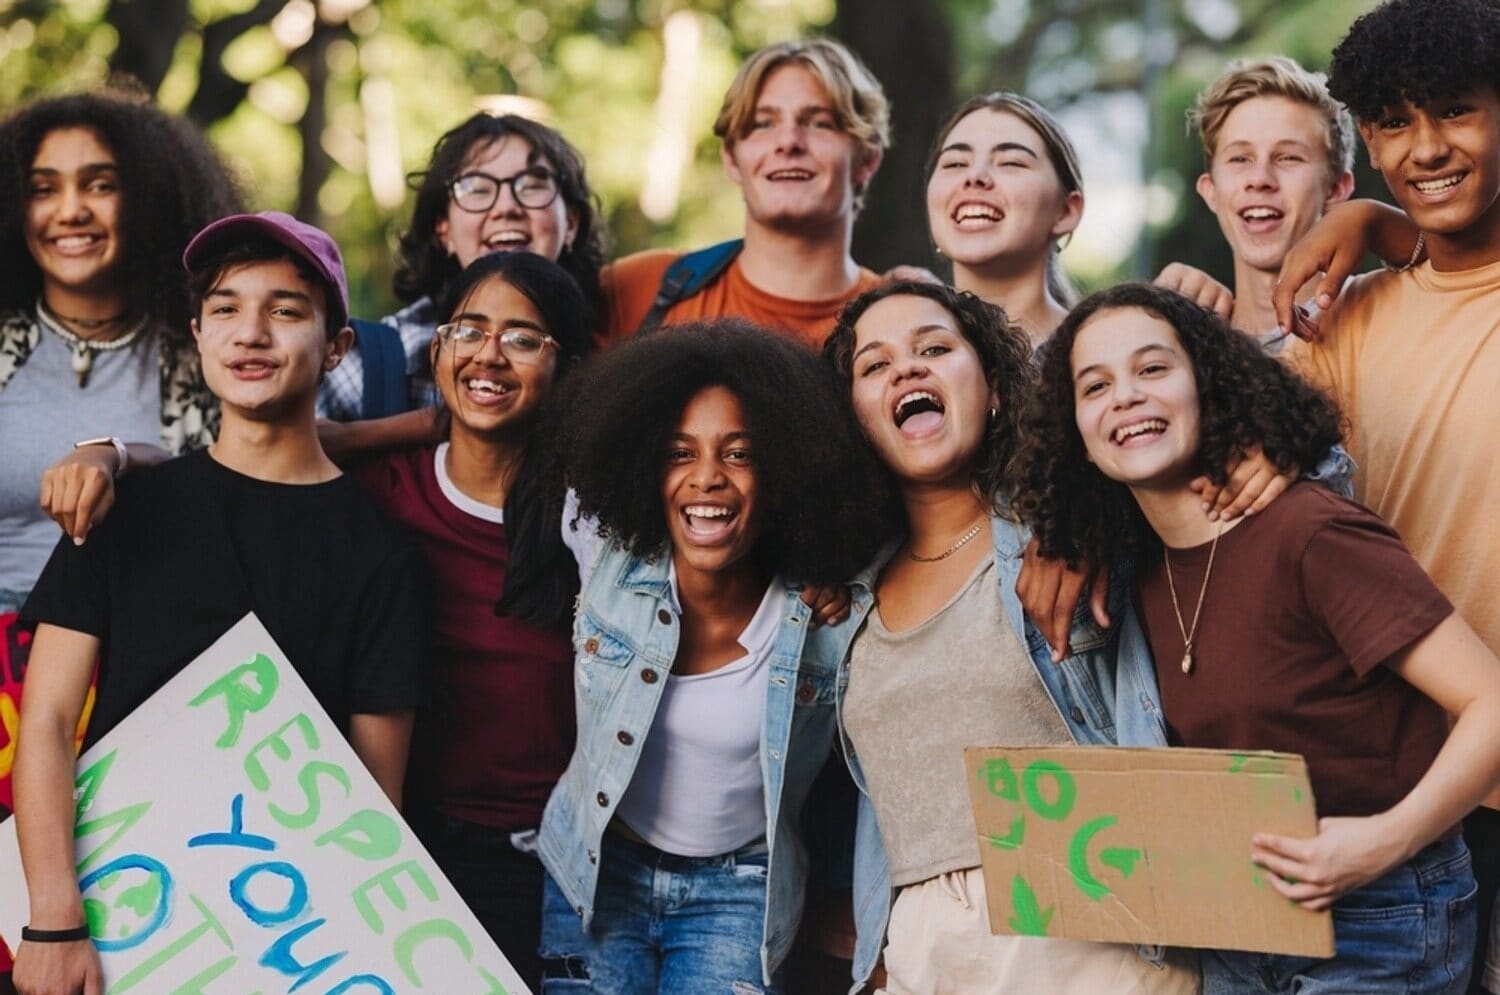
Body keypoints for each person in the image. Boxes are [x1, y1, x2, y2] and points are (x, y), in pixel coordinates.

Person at [1018, 282, 1500, 994]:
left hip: (1381, 909)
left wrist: (1384, 840)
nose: (1125, 395)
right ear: (1078, 436)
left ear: (1209, 389)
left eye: (1153, 369)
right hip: (1237, 923)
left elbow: (1490, 700)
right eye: (1096, 385)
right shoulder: (1132, 571)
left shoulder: (1310, 533)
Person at [12, 213, 429, 995]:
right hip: (102, 928)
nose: (253, 332)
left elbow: (374, 806)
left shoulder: (384, 555)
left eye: (287, 309)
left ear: (335, 347)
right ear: (199, 335)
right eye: (229, 309)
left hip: (276, 947)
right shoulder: (123, 507)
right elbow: (46, 722)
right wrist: (53, 919)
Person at [821, 279, 1200, 994]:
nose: (907, 369)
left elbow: (1270, 472)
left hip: (1087, 927)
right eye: (875, 365)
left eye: (934, 348)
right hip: (920, 947)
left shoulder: (1065, 534)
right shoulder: (844, 598)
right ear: (853, 418)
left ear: (994, 387)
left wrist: (1081, 518)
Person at [536, 322, 889, 993]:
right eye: (679, 453)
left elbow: (925, 512)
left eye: (740, 454)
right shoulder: (603, 550)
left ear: (787, 468)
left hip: (738, 892)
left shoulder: (823, 617)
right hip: (597, 871)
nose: (707, 479)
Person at [1268, 3, 1500, 990]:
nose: (1429, 147)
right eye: (1396, 123)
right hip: (1411, 793)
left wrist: (1371, 219)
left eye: (1456, 112)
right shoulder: (1347, 323)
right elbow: (1243, 489)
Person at [350, 251, 592, 989]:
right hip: (389, 850)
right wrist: (108, 453)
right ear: (438, 349)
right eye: (470, 329)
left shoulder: (593, 521)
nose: (489, 354)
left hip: (541, 870)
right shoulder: (374, 492)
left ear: (566, 367)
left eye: (523, 338)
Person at [0, 91, 240, 614]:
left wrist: (117, 455)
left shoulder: (211, 354)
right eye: (43, 190)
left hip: (150, 650)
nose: (70, 211)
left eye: (100, 185)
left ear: (146, 198)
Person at [318, 111, 606, 423]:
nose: (507, 207)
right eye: (477, 188)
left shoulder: (613, 351)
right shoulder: (374, 365)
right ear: (443, 228)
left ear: (572, 223)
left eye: (532, 185)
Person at [599, 39, 889, 347]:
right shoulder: (633, 290)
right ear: (731, 159)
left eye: (819, 123)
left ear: (867, 159)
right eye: (763, 124)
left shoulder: (900, 320)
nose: (788, 141)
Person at [1181, 56, 1355, 343]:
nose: (1260, 178)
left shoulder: (1383, 318)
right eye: (1239, 158)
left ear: (1336, 190)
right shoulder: (1186, 351)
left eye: (1288, 157)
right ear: (1210, 191)